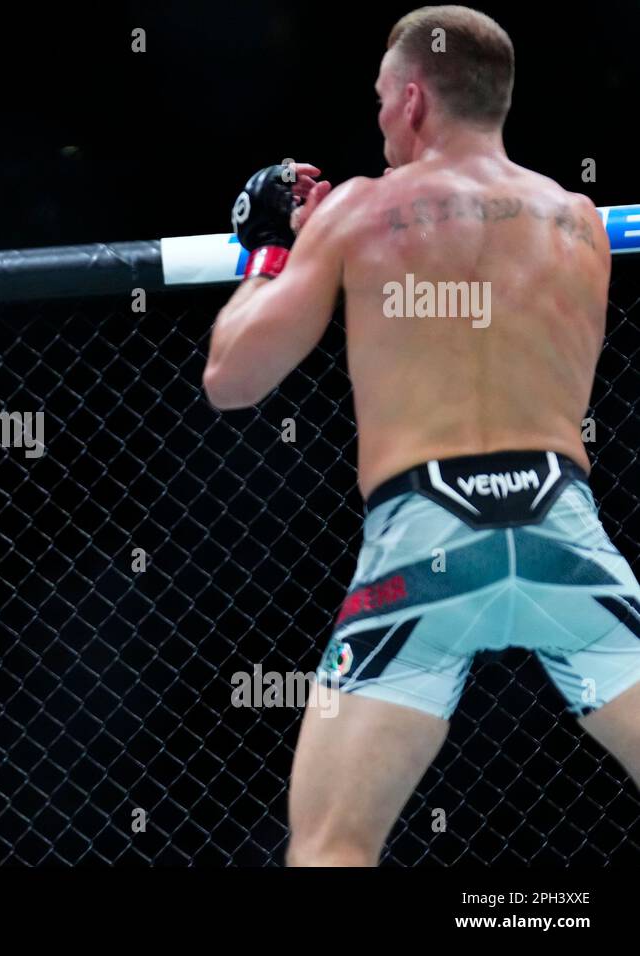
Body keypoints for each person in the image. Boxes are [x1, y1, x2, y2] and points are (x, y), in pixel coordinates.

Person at [202, 6, 640, 865]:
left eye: (377, 100)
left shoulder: (365, 210)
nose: (375, 120)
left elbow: (233, 378)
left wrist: (272, 248)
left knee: (330, 846)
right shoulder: (578, 224)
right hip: (563, 533)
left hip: (428, 542)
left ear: (409, 100)